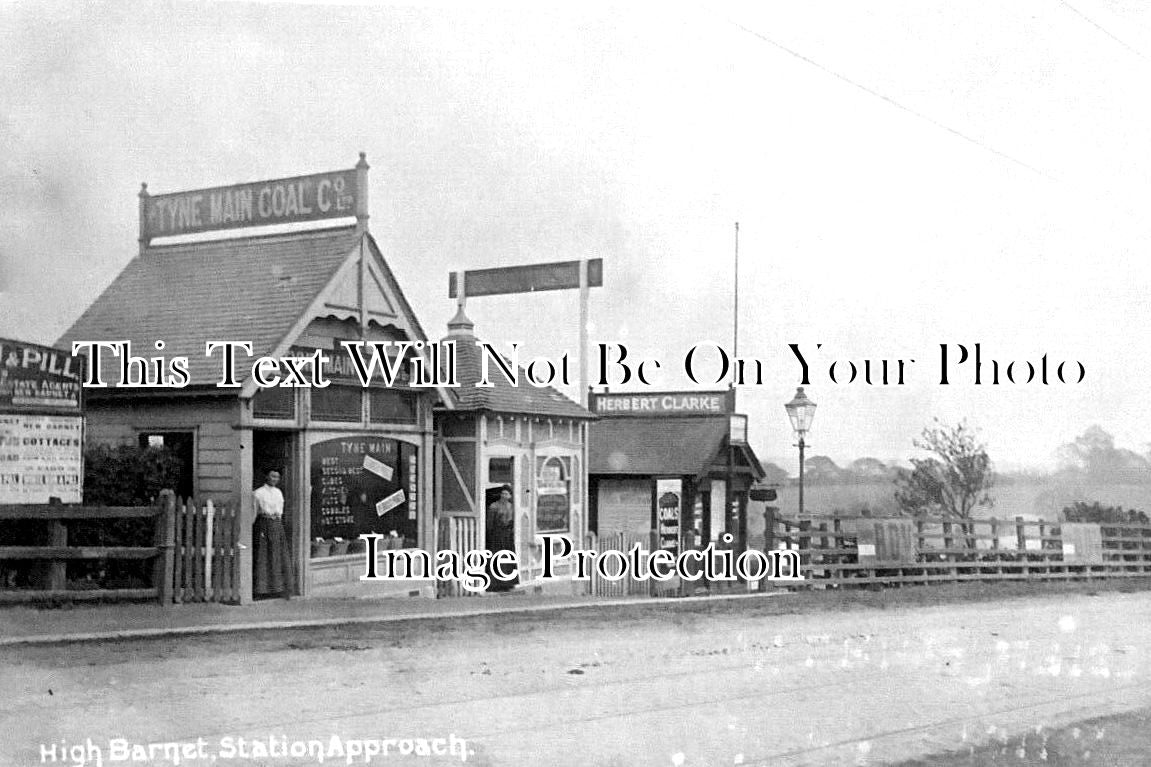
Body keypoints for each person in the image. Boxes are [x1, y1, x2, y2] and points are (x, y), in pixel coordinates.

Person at [253, 470, 293, 600]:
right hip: (264, 523)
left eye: (277, 476)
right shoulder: (258, 493)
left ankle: (279, 589)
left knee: (278, 555)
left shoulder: (278, 492)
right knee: (263, 555)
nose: (274, 479)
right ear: (266, 476)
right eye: (272, 476)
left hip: (276, 524)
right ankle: (262, 590)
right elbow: (254, 512)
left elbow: (280, 512)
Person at [485, 484, 519, 592]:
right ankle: (496, 583)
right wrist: (490, 534)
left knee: (507, 558)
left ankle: (508, 583)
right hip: (497, 535)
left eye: (507, 494)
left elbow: (514, 521)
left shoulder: (511, 507)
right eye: (503, 493)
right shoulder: (494, 506)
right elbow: (490, 523)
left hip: (507, 536)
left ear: (510, 496)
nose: (504, 496)